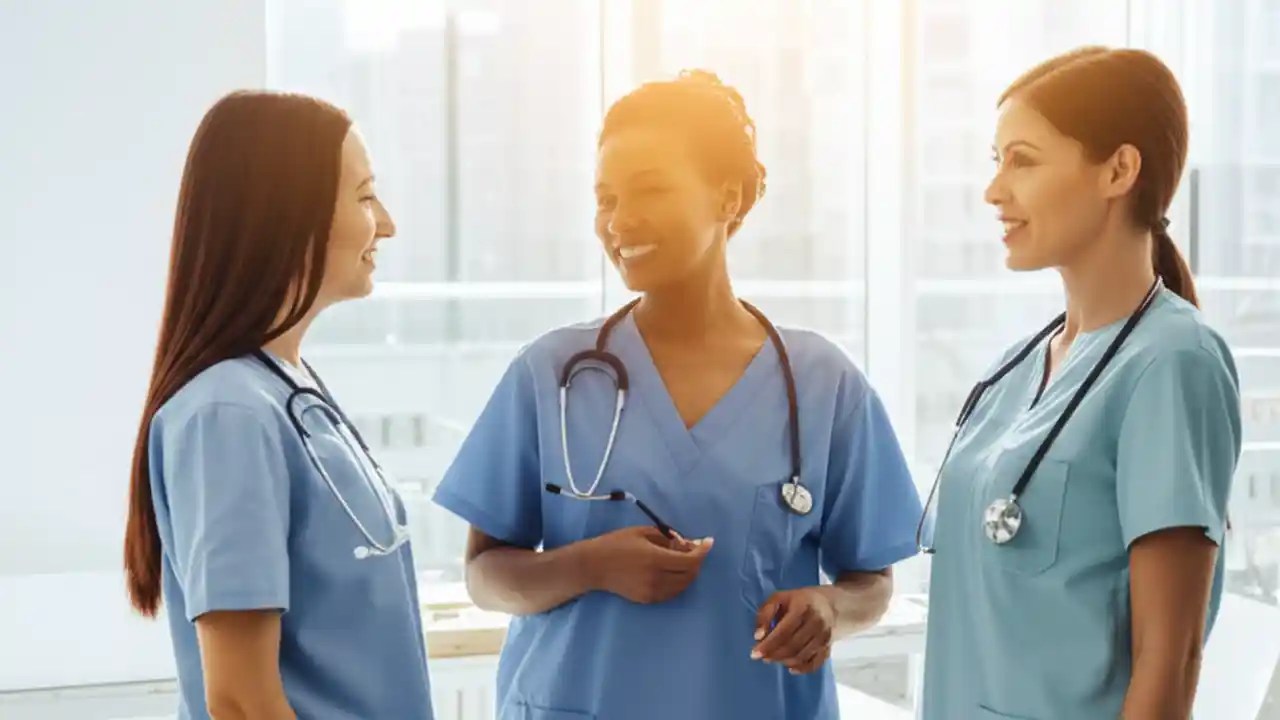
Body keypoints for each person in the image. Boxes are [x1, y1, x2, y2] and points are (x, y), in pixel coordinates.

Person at [431, 69, 922, 719]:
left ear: (729, 198)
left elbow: (873, 581)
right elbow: (485, 575)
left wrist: (830, 607)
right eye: (604, 198)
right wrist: (591, 565)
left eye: (650, 189)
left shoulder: (823, 384)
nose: (618, 220)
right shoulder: (551, 373)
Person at [918, 47, 1242, 719]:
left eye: (1024, 161)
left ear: (1119, 170)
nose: (994, 190)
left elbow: (1170, 655)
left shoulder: (1171, 362)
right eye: (996, 160)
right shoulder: (1015, 367)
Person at [122, 91, 435, 720]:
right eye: (365, 196)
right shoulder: (228, 413)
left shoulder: (288, 391)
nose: (389, 223)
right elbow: (240, 700)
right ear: (290, 213)